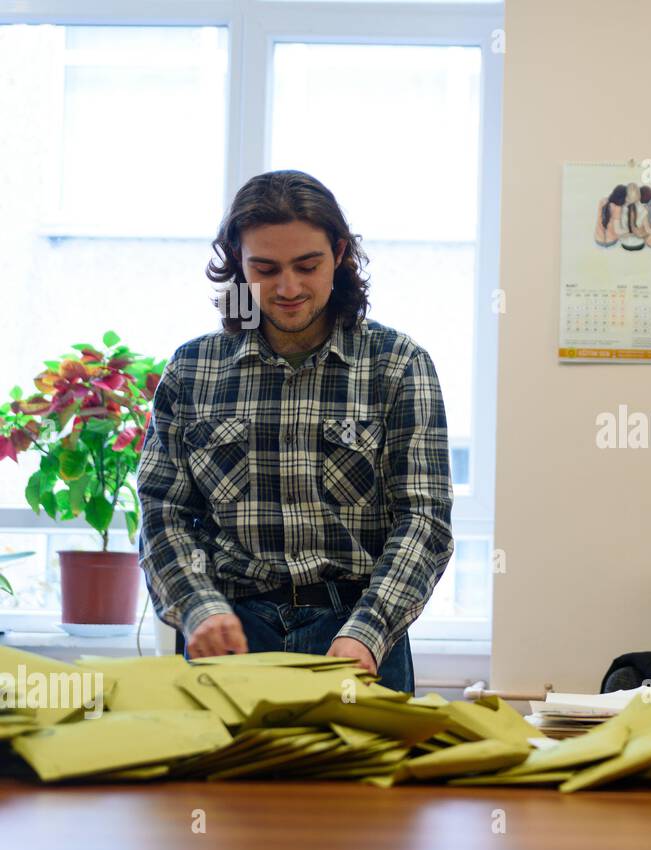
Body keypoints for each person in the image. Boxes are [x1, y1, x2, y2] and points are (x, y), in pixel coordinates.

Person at [136, 170, 454, 694]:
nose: (288, 289)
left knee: (357, 779)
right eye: (264, 268)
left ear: (340, 254)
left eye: (308, 266)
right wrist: (197, 607)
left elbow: (424, 519)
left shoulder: (397, 365)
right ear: (237, 263)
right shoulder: (193, 368)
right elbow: (162, 511)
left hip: (356, 629)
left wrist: (369, 633)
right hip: (233, 632)